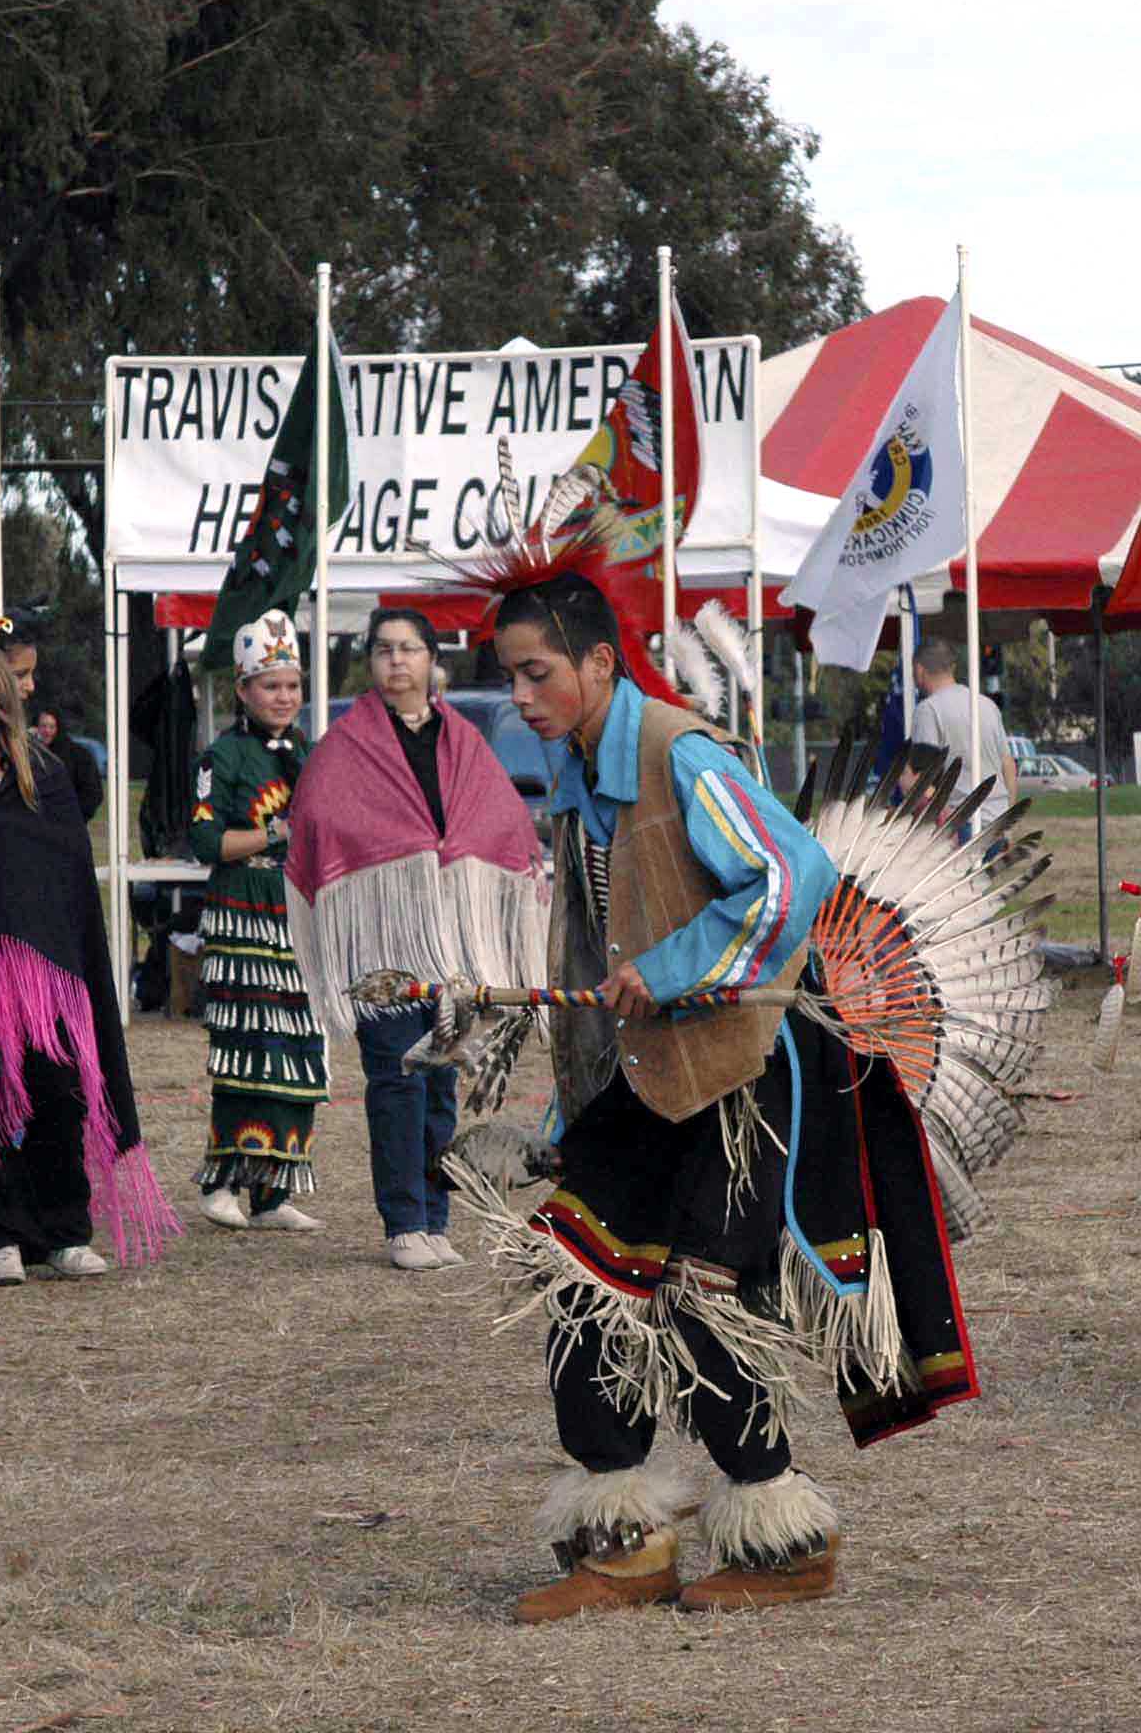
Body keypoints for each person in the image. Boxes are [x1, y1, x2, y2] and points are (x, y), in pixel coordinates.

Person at [448, 556, 979, 1622]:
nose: (520, 696)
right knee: (583, 1269)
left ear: (600, 661)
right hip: (659, 1068)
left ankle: (784, 1540)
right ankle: (624, 1543)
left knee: (698, 1296)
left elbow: (793, 875)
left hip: (757, 1062)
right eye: (508, 676)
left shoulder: (675, 749)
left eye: (536, 672)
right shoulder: (582, 772)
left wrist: (679, 962)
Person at [285, 605, 546, 1274]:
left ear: (433, 659)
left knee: (438, 1085)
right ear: (370, 664)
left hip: (451, 940)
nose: (396, 660)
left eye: (408, 648)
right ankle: (403, 1220)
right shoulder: (344, 749)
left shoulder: (462, 741)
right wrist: (392, 856)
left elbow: (501, 819)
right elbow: (317, 817)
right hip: (382, 941)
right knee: (397, 1079)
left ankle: (436, 1217)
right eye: (382, 650)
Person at [0, 643, 181, 1285]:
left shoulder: (47, 778)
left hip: (50, 976)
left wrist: (70, 967)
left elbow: (67, 880)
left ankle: (63, 1232)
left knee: (58, 1097)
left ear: (2, 710)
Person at [187, 610, 324, 1228]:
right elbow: (205, 841)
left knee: (296, 1046)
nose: (284, 696)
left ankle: (274, 1192)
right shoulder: (225, 755)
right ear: (243, 691)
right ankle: (222, 1182)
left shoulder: (309, 753)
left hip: (297, 913)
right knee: (247, 1046)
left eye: (292, 685)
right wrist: (273, 832)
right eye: (271, 685)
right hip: (243, 912)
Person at [906, 638, 1015, 819]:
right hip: (998, 821)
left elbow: (920, 780)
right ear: (952, 667)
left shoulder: (928, 710)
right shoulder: (987, 705)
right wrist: (1009, 825)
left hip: (959, 825)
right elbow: (1008, 765)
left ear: (919, 669)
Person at [32, 707, 104, 824]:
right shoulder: (29, 755)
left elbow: (93, 793)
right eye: (43, 726)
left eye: (51, 727)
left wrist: (75, 817)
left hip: (69, 824)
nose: (47, 731)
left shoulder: (78, 755)